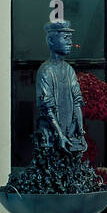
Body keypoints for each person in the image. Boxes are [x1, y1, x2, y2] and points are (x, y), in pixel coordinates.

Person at [35, 19, 87, 156]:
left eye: (70, 38)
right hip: (51, 136)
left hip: (69, 134)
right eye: (65, 38)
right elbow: (46, 107)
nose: (70, 42)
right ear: (51, 41)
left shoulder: (69, 70)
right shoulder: (46, 70)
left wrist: (80, 132)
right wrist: (59, 135)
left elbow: (77, 102)